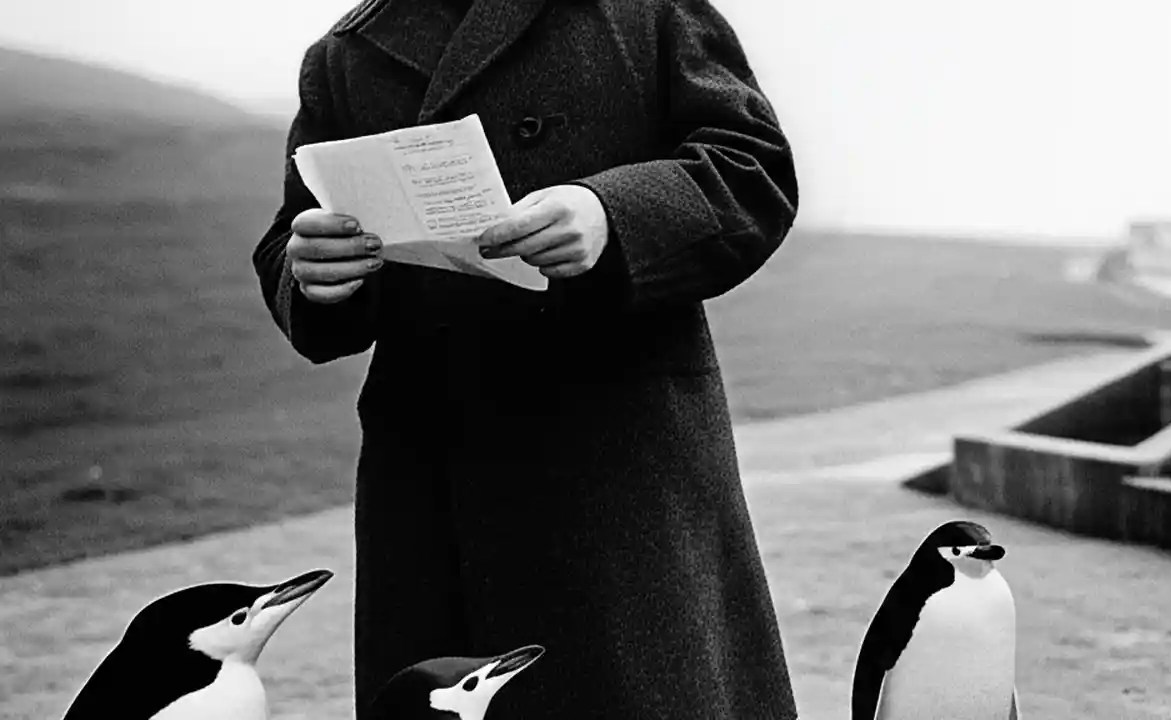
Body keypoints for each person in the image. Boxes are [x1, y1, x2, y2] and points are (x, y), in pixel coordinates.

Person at [251, 0, 800, 718]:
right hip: (432, 477)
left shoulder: (644, 11)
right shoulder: (345, 53)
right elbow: (291, 239)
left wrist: (611, 213)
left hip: (622, 462)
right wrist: (311, 271)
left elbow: (752, 166)